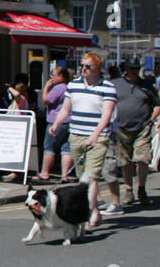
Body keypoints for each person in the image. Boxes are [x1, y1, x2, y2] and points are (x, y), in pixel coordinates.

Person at [49, 51, 121, 228]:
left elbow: (107, 114)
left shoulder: (107, 87)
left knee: (91, 176)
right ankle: (94, 209)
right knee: (82, 177)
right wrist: (57, 124)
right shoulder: (73, 85)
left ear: (97, 68)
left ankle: (91, 212)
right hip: (76, 134)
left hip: (98, 136)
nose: (84, 69)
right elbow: (66, 109)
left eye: (88, 66)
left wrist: (95, 135)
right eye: (82, 65)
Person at [112, 59, 160, 206]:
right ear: (125, 69)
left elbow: (157, 105)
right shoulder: (115, 84)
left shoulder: (147, 86)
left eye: (136, 69)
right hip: (121, 128)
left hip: (142, 128)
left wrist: (150, 120)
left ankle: (142, 188)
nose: (133, 71)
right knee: (125, 161)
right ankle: (128, 189)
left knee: (141, 159)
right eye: (131, 69)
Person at [37, 67, 74, 182]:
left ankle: (44, 173)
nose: (51, 78)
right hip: (69, 121)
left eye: (53, 75)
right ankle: (65, 175)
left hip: (55, 121)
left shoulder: (58, 88)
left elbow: (46, 101)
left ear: (61, 76)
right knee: (66, 148)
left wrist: (46, 88)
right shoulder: (70, 87)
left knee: (49, 147)